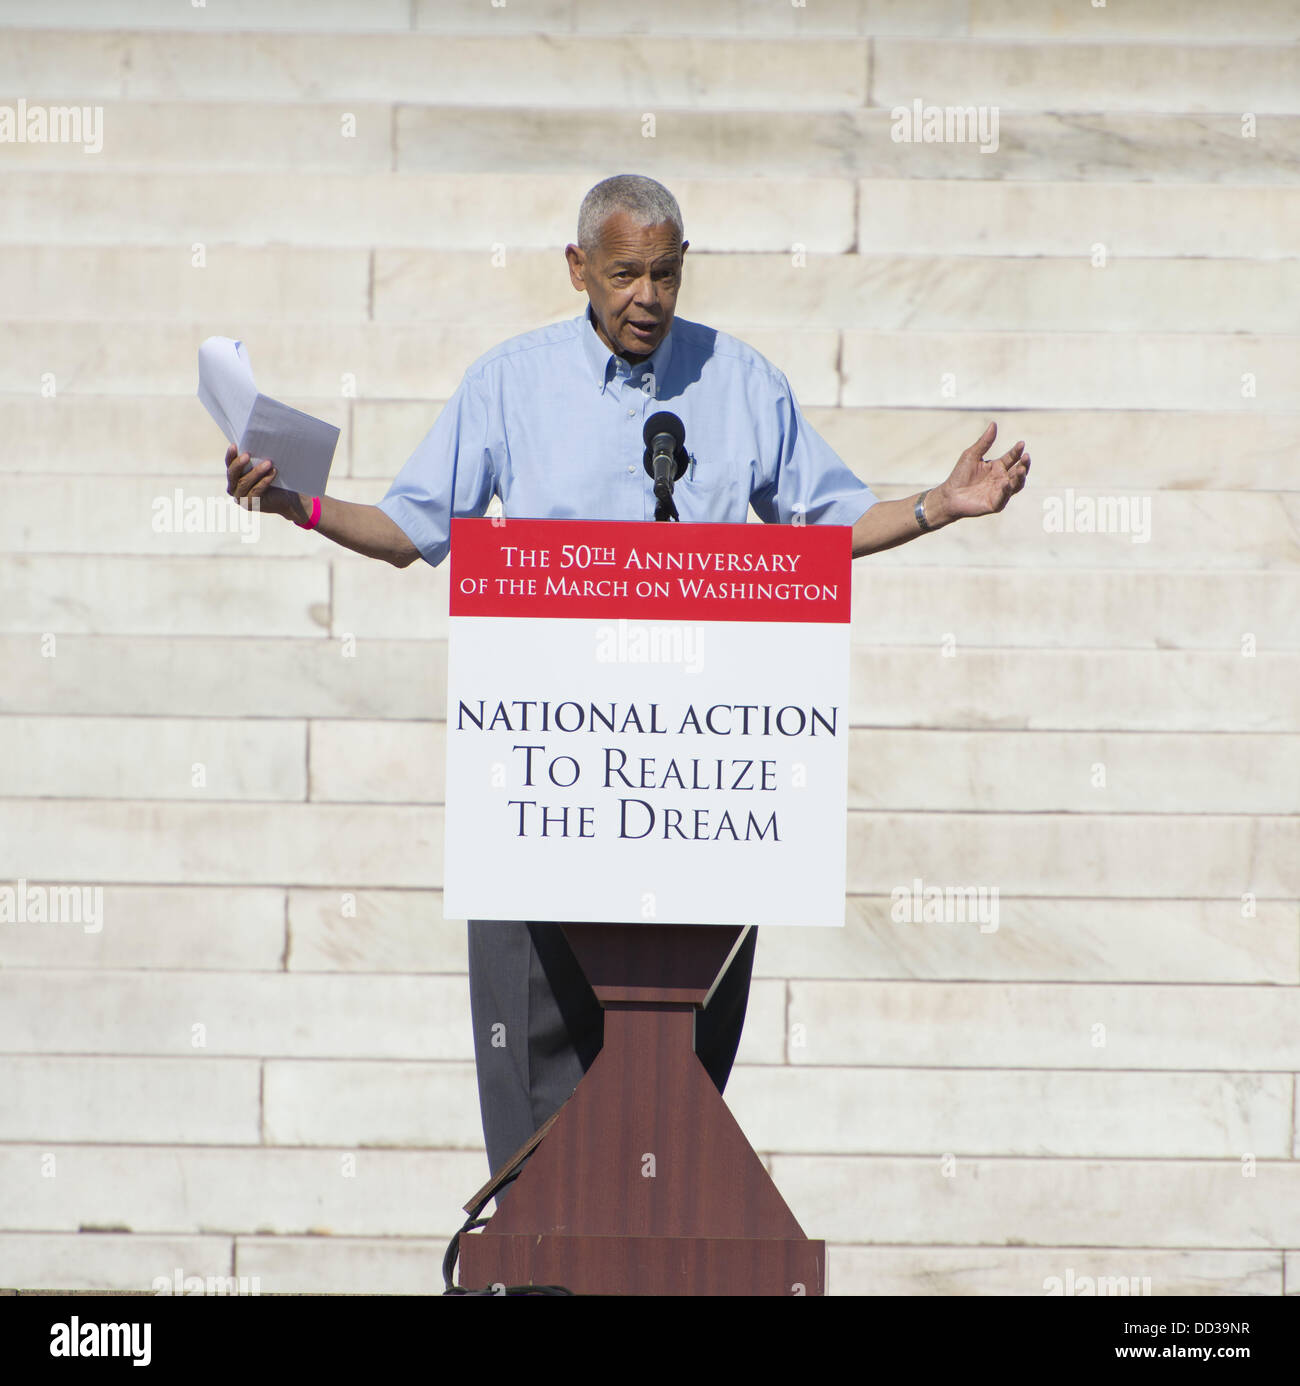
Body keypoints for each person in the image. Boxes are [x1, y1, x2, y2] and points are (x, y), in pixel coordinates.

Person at [224, 173, 1031, 1185]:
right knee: (540, 1108)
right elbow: (408, 533)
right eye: (622, 275)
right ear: (578, 271)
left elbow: (823, 525)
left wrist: (937, 505)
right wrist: (293, 503)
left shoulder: (739, 384)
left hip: (694, 778)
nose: (645, 296)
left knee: (665, 1112)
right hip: (550, 783)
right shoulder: (508, 385)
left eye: (663, 273)